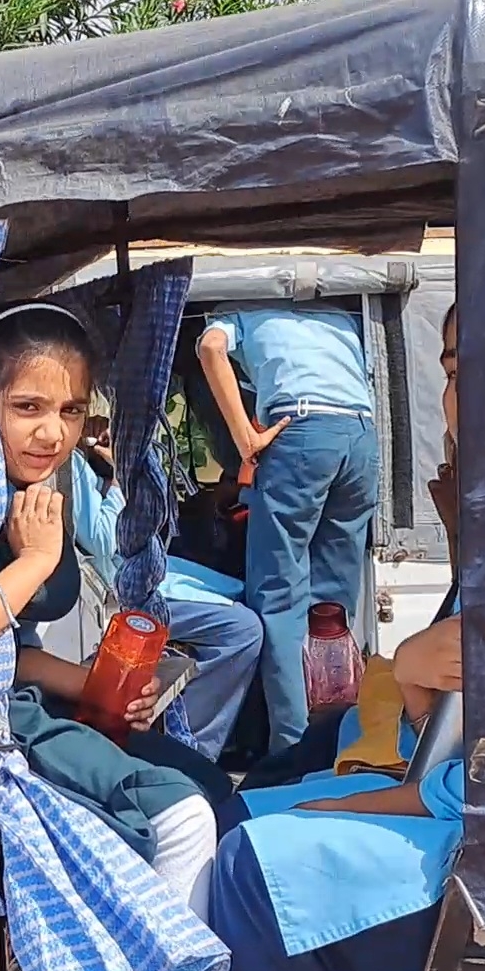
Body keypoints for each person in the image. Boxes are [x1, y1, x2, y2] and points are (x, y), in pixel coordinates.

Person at [0, 302, 219, 917]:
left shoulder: (22, 489)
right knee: (180, 815)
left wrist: (95, 691)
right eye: (28, 407)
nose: (53, 433)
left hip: (1, 706)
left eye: (71, 410)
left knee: (202, 778)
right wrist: (33, 563)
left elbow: (9, 654)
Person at [208, 302, 464, 971]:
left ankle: (293, 732)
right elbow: (450, 730)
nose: (460, 398)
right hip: (444, 790)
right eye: (452, 372)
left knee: (250, 858)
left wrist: (245, 436)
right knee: (251, 803)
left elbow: (481, 785)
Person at [197, 300, 380, 754]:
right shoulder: (338, 305)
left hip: (299, 430)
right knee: (333, 602)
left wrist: (244, 438)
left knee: (281, 598)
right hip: (360, 435)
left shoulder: (242, 297)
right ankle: (338, 738)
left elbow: (210, 347)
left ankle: (292, 748)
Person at [60, 428, 264, 762]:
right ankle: (190, 748)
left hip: (146, 566)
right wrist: (120, 478)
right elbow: (102, 539)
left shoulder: (80, 458)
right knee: (243, 630)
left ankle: (215, 737)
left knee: (246, 594)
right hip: (122, 584)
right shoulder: (66, 464)